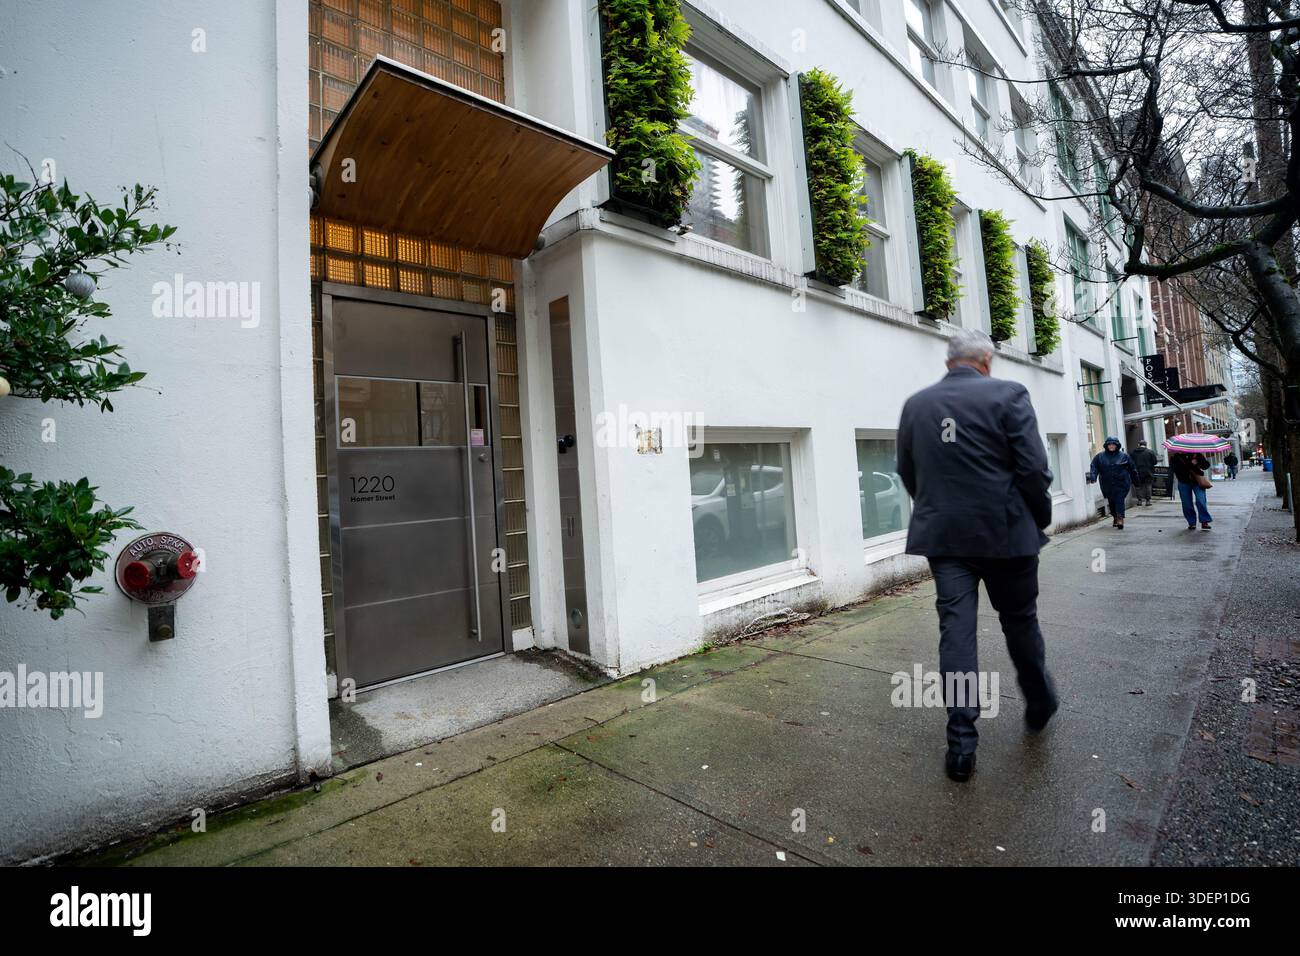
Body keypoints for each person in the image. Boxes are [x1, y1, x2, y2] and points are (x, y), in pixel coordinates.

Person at [897, 329, 1059, 784]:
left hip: (946, 539)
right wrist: (1038, 516)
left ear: (950, 361)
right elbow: (1033, 468)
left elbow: (907, 471)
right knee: (1020, 621)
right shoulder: (1009, 394)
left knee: (957, 634)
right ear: (986, 358)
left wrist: (937, 508)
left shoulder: (916, 404)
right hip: (1007, 533)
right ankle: (1039, 700)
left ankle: (961, 746)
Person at [1087, 437, 1140, 529]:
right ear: (1106, 446)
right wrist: (1093, 477)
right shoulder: (1100, 457)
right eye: (1109, 444)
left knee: (1119, 499)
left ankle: (1120, 518)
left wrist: (1136, 481)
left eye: (1113, 444)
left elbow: (1132, 469)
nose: (1111, 446)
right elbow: (1094, 467)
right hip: (1106, 484)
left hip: (1121, 483)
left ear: (1117, 445)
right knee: (1111, 501)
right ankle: (1115, 516)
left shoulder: (1124, 456)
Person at [1170, 451, 1213, 530]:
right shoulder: (1176, 457)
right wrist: (1191, 464)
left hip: (1197, 481)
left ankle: (1204, 521)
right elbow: (1175, 469)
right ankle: (1191, 522)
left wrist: (1200, 461)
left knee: (1201, 501)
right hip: (1183, 482)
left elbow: (1206, 466)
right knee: (1187, 503)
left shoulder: (1197, 455)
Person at [1129, 439, 1158, 505]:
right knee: (1148, 485)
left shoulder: (1133, 452)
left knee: (1138, 486)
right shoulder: (1150, 452)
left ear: (1139, 445)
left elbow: (1131, 462)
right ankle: (1148, 501)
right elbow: (1155, 462)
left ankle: (1139, 501)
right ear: (1146, 445)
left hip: (1137, 472)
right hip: (1148, 472)